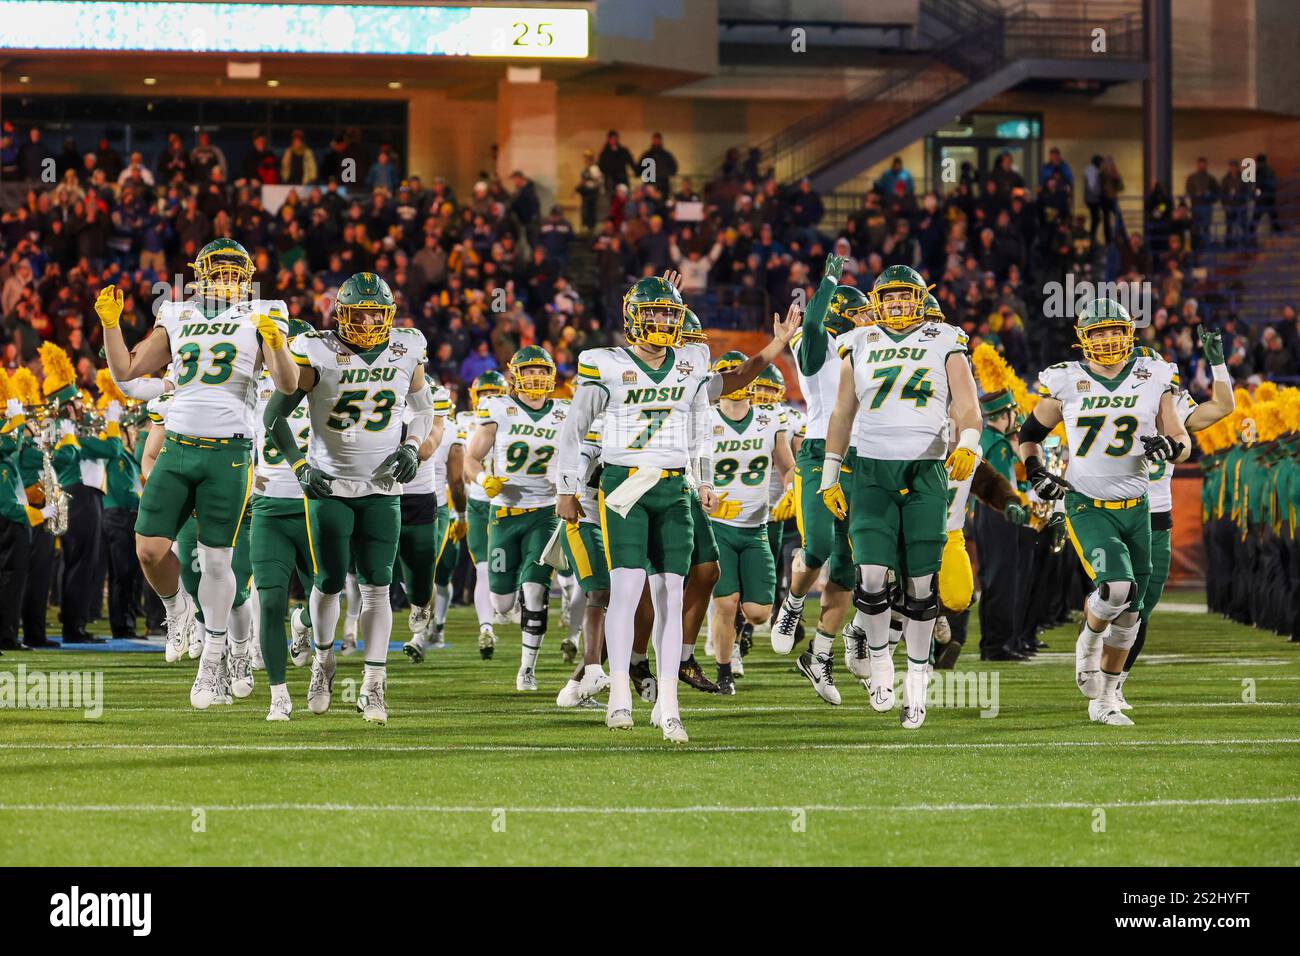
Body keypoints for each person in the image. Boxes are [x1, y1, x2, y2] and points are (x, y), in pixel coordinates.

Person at [556, 276, 796, 742]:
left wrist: (776, 346)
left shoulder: (690, 361)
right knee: (626, 592)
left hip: (672, 488)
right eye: (654, 313)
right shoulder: (604, 363)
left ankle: (668, 703)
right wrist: (566, 487)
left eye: (670, 312)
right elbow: (573, 428)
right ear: (632, 317)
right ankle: (620, 695)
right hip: (624, 485)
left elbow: (730, 388)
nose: (664, 321)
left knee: (670, 594)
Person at [99, 238, 298, 709]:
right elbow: (126, 374)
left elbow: (287, 386)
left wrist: (277, 343)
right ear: (201, 274)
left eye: (236, 272)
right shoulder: (177, 313)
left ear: (247, 277)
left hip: (228, 454)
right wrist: (110, 326)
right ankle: (176, 610)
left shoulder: (264, 314)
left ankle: (213, 657)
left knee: (215, 562)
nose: (228, 279)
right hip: (178, 446)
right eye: (219, 271)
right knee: (148, 549)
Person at [268, 272, 438, 724]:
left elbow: (424, 410)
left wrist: (411, 446)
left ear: (389, 315)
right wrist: (300, 465)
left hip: (383, 486)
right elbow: (274, 417)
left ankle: (374, 683)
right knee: (326, 582)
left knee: (378, 584)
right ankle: (323, 663)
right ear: (339, 315)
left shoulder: (408, 347)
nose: (365, 321)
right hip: (331, 486)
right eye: (356, 313)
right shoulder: (318, 348)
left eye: (374, 313)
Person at [819, 264, 982, 729]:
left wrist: (968, 442)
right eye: (887, 297)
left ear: (919, 298)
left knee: (921, 585)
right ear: (877, 302)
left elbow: (968, 406)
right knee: (870, 577)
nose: (895, 305)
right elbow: (842, 413)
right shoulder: (859, 342)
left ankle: (917, 680)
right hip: (871, 471)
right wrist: (830, 472)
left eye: (903, 296)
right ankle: (880, 663)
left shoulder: (944, 337)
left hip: (925, 470)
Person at [1017, 298, 1188, 726]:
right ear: (1083, 339)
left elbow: (1180, 434)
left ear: (1129, 332)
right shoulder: (1067, 380)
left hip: (1138, 506)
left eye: (1115, 330)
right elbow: (1030, 432)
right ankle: (1087, 645)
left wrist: (1172, 447)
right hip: (1088, 503)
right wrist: (1035, 469)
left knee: (1132, 612)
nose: (1109, 339)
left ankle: (1106, 699)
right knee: (1116, 589)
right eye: (1099, 332)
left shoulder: (1155, 377)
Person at [770, 256, 868, 704]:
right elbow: (811, 323)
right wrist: (829, 280)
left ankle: (820, 655)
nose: (866, 322)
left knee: (850, 566)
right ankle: (791, 606)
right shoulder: (819, 345)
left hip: (862, 460)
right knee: (819, 548)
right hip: (816, 454)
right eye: (858, 316)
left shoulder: (872, 351)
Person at [1116, 335, 1234, 708]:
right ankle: (1092, 661)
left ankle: (1115, 682)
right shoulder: (1111, 406)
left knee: (1142, 609)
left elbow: (1223, 408)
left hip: (1157, 518)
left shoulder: (1174, 407)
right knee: (1113, 597)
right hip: (1115, 512)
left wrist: (1217, 363)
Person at [463, 346, 566, 692]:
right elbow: (471, 460)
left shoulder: (563, 413)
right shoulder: (499, 409)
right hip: (504, 514)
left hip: (545, 512)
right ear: (515, 375)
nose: (536, 377)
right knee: (502, 602)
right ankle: (514, 597)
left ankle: (526, 670)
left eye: (542, 370)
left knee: (536, 591)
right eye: (530, 370)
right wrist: (482, 480)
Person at [705, 352, 794, 694]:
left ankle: (735, 641)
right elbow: (688, 469)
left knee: (758, 613)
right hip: (718, 527)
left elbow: (786, 466)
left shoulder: (770, 419)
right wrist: (704, 494)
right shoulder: (703, 419)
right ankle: (724, 671)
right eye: (727, 374)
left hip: (757, 526)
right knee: (725, 603)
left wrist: (791, 490)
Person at [250, 339, 318, 721]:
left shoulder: (326, 385)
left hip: (317, 506)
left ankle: (304, 626)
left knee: (326, 600)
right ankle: (278, 694)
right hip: (270, 504)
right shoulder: (251, 385)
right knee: (270, 600)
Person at [461, 370, 510, 658]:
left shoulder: (513, 417)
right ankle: (486, 626)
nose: (489, 398)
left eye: (495, 393)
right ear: (474, 395)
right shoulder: (464, 421)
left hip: (507, 503)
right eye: (484, 393)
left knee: (505, 569)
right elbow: (462, 465)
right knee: (483, 568)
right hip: (479, 502)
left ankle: (508, 608)